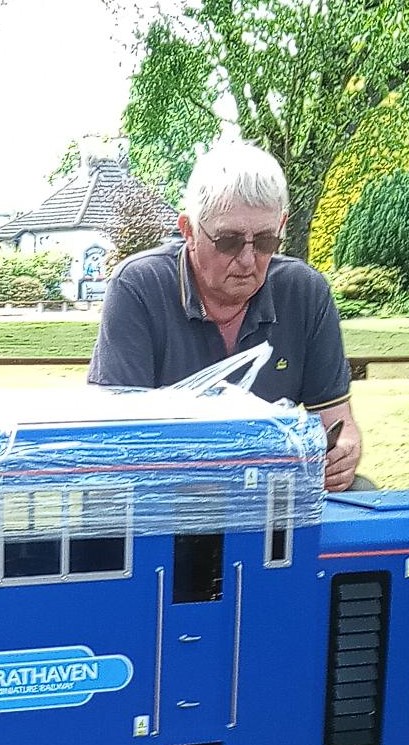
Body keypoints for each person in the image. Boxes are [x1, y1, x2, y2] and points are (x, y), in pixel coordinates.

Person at [87, 143, 366, 492]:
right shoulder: (139, 286)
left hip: (270, 489)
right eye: (228, 241)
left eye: (266, 241)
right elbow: (115, 438)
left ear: (282, 225)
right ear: (188, 230)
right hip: (168, 492)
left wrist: (342, 453)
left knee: (359, 493)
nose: (248, 260)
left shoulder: (305, 291)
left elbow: (337, 422)